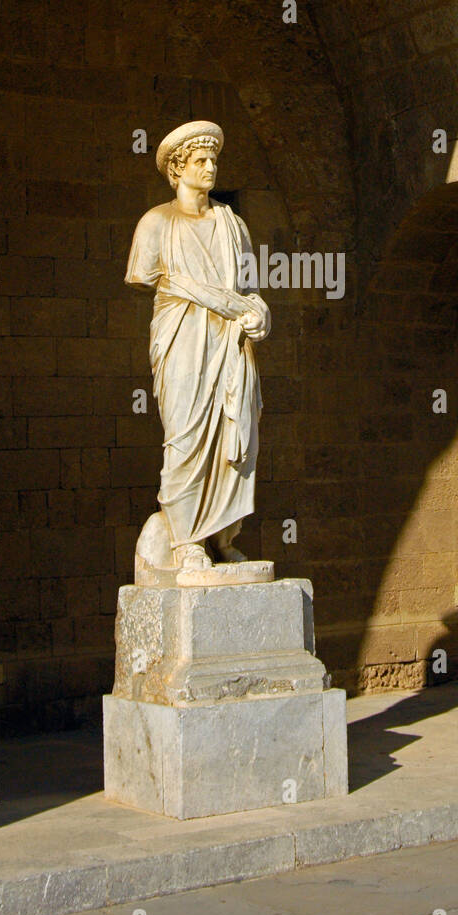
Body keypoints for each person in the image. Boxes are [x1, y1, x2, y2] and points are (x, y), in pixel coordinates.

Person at [125, 121, 270, 577]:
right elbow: (147, 276)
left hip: (230, 342)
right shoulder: (156, 223)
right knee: (185, 435)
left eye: (213, 161)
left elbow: (250, 289)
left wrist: (261, 313)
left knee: (236, 438)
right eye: (200, 161)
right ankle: (187, 539)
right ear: (177, 169)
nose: (210, 169)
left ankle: (221, 534)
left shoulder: (233, 224)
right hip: (183, 339)